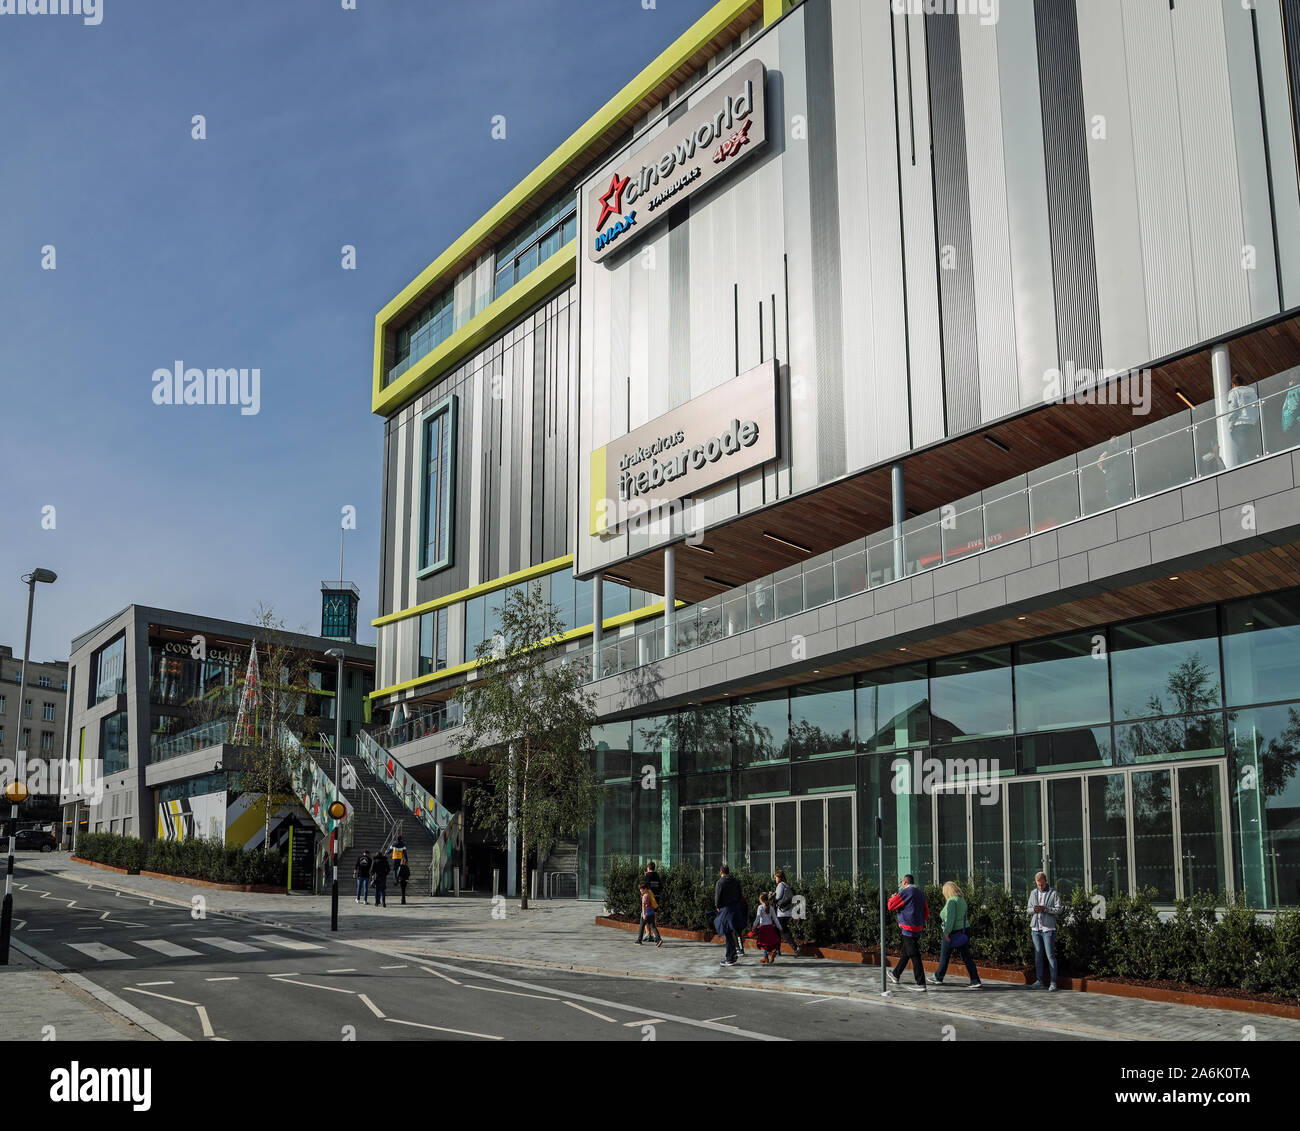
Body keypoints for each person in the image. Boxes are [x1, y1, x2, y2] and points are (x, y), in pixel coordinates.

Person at [929, 881, 982, 989]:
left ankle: (938, 977)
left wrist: (947, 933)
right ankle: (975, 979)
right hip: (964, 930)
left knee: (945, 955)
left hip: (953, 931)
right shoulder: (962, 900)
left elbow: (951, 919)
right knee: (966, 957)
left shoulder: (952, 902)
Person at [887, 874, 929, 990]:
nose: (901, 885)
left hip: (907, 928)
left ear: (905, 882)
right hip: (917, 927)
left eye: (902, 883)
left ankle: (921, 983)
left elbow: (891, 906)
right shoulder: (920, 893)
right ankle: (895, 974)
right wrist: (920, 921)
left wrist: (892, 897)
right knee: (907, 951)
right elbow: (926, 911)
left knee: (914, 954)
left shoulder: (905, 892)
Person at [1027, 871, 1063, 991]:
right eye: (1038, 885)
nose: (1040, 887)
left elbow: (1059, 909)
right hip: (1036, 928)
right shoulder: (1033, 893)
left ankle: (1053, 983)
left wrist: (1046, 909)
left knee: (1050, 955)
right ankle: (1039, 981)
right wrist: (1034, 909)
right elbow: (1028, 910)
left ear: (1045, 881)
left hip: (1048, 929)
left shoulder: (1053, 893)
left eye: (1041, 884)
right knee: (1038, 956)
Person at [713, 864, 746, 967]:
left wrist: (717, 906)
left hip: (725, 910)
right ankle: (733, 954)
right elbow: (740, 895)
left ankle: (729, 958)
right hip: (735, 909)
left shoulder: (720, 882)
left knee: (727, 933)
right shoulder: (735, 881)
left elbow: (717, 898)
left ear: (721, 872)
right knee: (733, 932)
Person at [1227, 374, 1261, 465]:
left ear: (1233, 384)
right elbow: (1257, 409)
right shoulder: (1253, 393)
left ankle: (1246, 469)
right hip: (1251, 425)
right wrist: (1253, 421)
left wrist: (1229, 427)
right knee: (1251, 449)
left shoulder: (1234, 393)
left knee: (1242, 450)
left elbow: (1232, 411)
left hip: (1239, 425)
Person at [773, 869, 802, 956]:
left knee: (784, 931)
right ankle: (777, 949)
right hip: (787, 911)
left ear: (779, 877)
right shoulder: (786, 885)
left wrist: (772, 895)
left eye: (776, 877)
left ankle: (795, 948)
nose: (775, 879)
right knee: (777, 930)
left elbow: (777, 897)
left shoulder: (780, 885)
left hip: (782, 913)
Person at [636, 862, 663, 944]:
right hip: (656, 898)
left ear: (648, 868)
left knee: (646, 915)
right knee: (654, 915)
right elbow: (661, 887)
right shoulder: (657, 876)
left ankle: (648, 933)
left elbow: (643, 886)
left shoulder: (646, 876)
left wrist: (645, 875)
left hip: (648, 898)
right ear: (654, 868)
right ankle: (655, 936)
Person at [752, 891, 781, 964]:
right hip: (770, 927)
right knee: (768, 943)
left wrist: (754, 926)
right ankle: (766, 957)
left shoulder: (760, 907)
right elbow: (775, 918)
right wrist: (779, 926)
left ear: (761, 899)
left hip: (763, 928)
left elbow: (757, 918)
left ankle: (770, 954)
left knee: (764, 943)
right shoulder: (770, 907)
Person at [638, 881, 663, 947]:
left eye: (641, 889)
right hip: (651, 913)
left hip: (646, 914)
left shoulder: (644, 896)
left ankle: (639, 940)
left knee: (641, 927)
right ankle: (659, 939)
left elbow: (643, 906)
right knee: (653, 927)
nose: (640, 890)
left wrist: (643, 914)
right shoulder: (650, 893)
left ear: (645, 889)